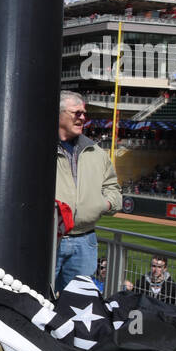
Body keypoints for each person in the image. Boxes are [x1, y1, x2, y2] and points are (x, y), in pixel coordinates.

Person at [54, 91, 121, 293]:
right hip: (48, 240)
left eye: (84, 113)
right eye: (77, 113)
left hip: (85, 240)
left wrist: (103, 204)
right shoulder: (36, 147)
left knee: (78, 305)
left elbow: (114, 190)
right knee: (40, 301)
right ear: (59, 114)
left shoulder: (96, 152)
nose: (82, 117)